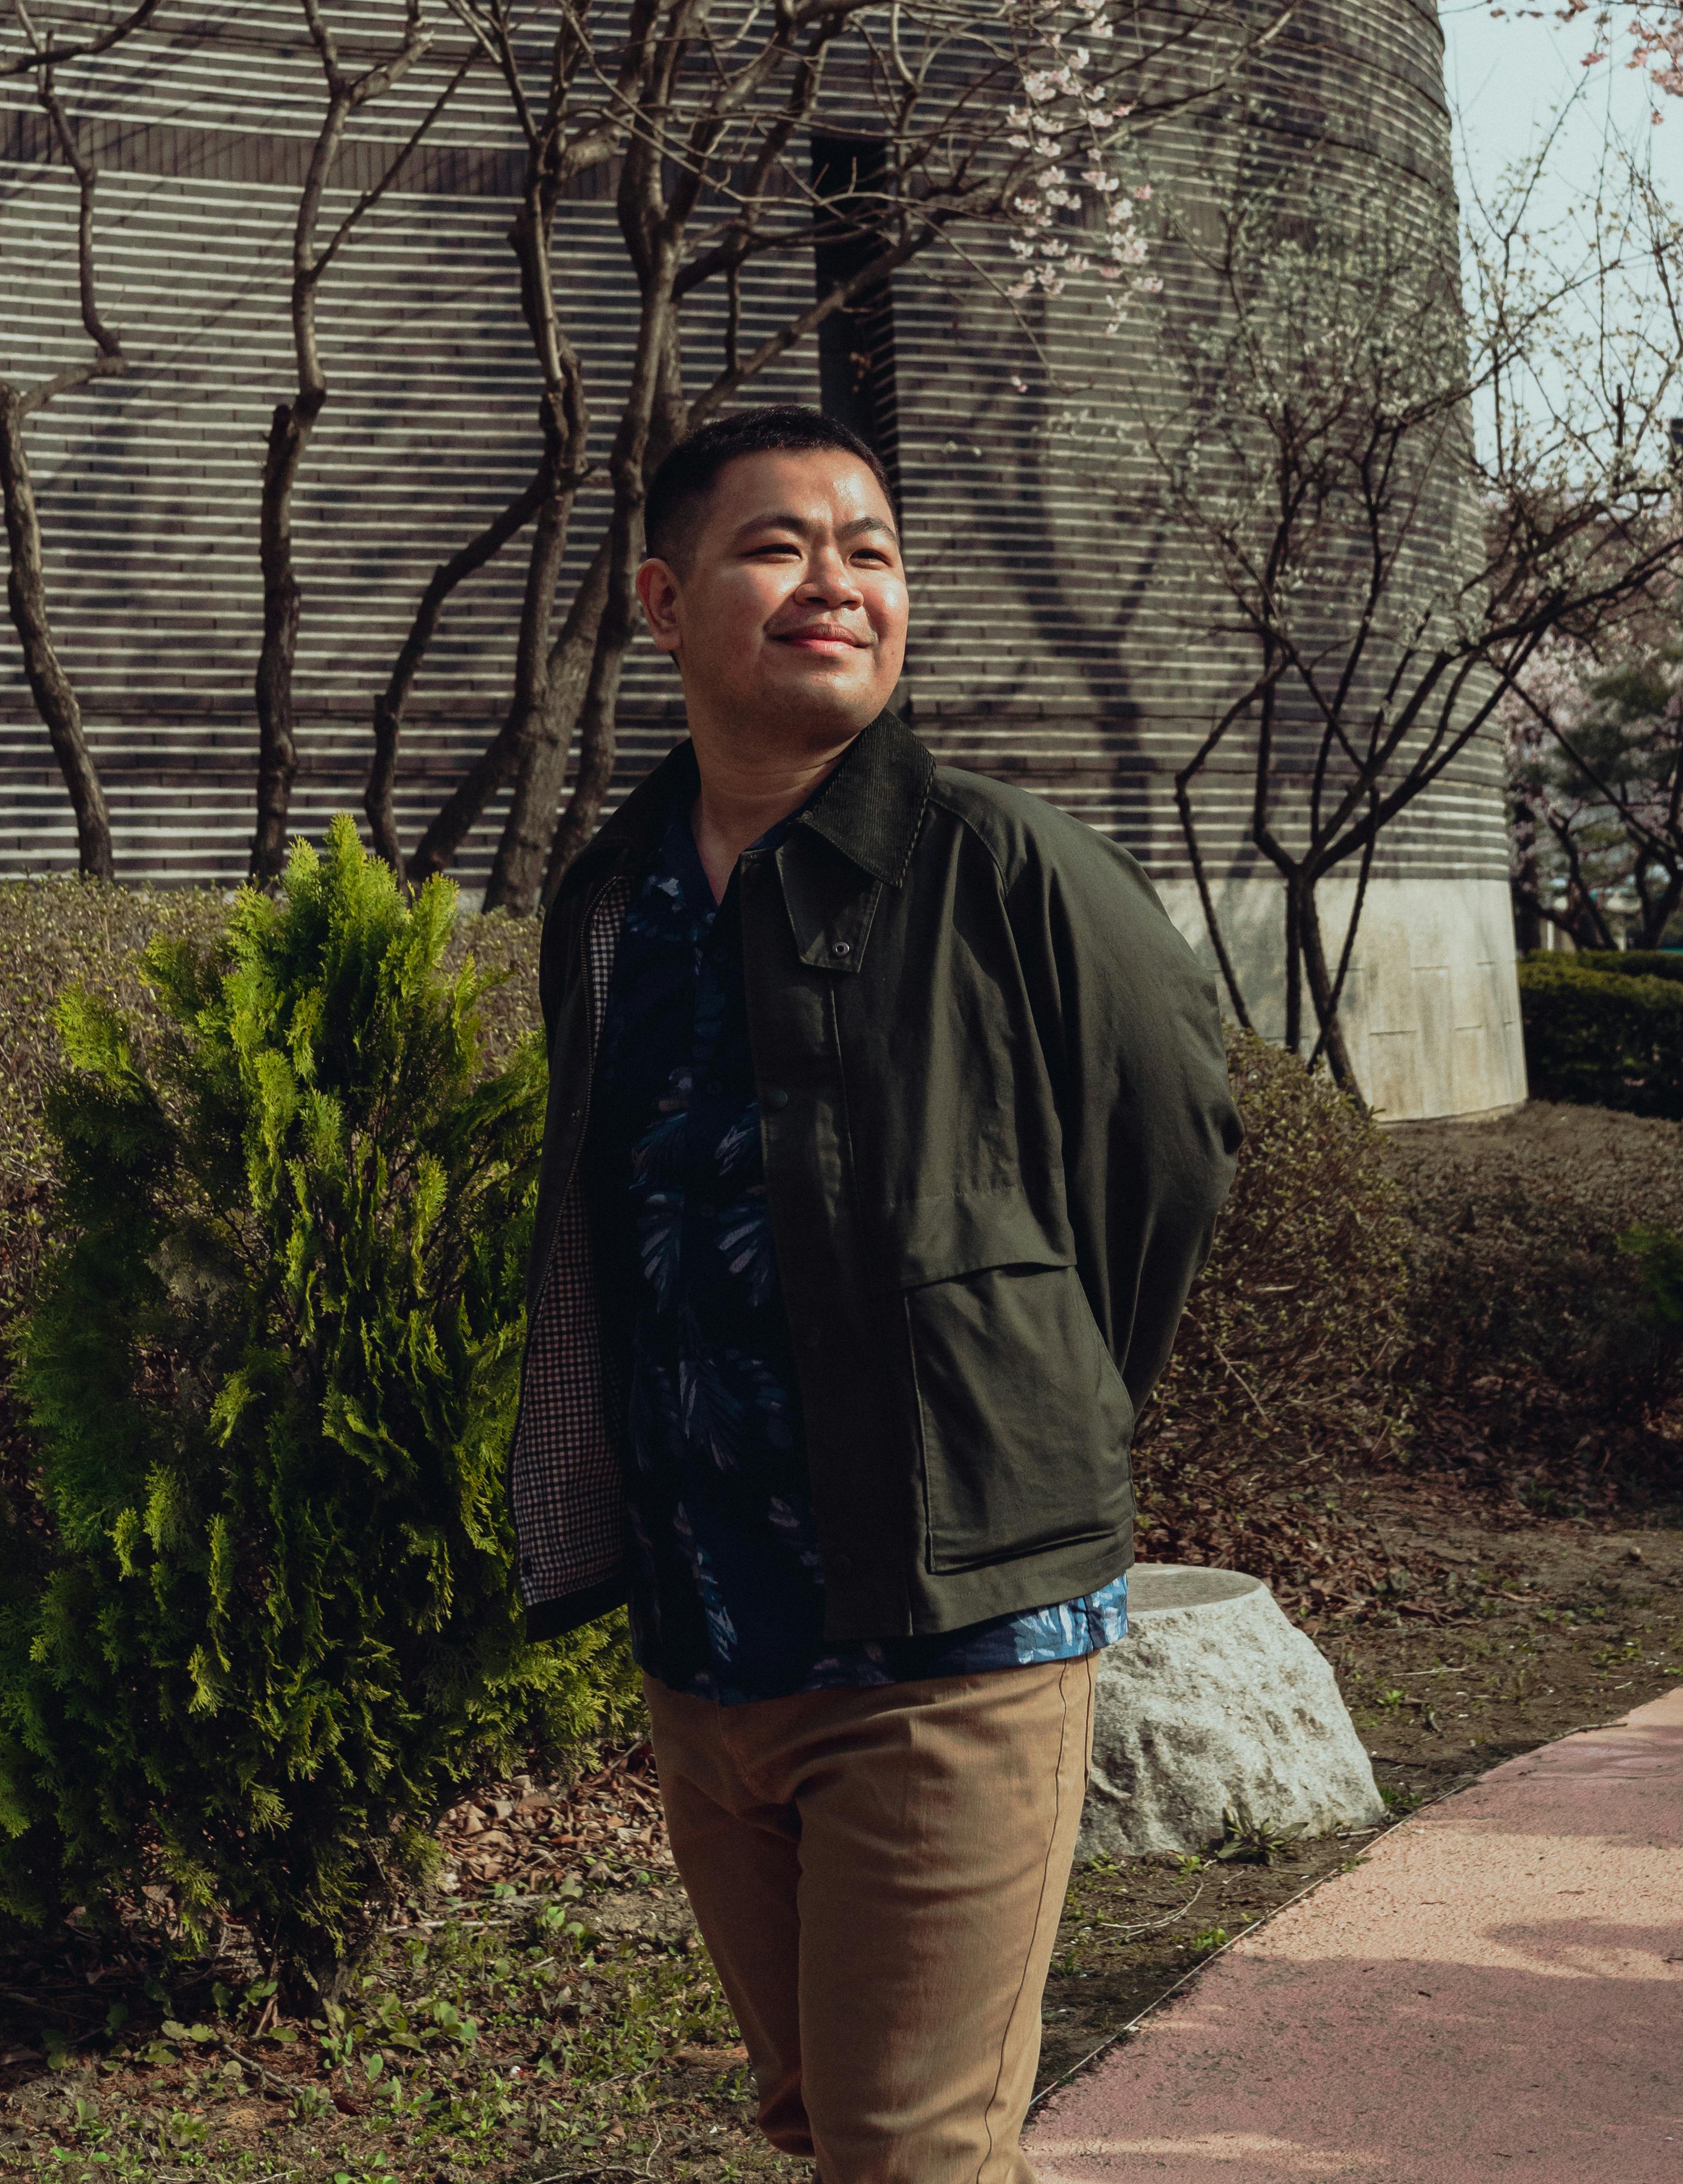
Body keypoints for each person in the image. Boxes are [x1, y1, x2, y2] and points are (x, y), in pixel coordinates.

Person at [508, 404, 1238, 2184]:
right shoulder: (610, 898)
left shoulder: (1006, 868)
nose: (837, 582)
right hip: (709, 1636)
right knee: (822, 2121)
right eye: (780, 547)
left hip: (948, 1643)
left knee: (910, 2149)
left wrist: (1018, 1415)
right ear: (665, 604)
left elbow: (1169, 1163)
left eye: (873, 550)